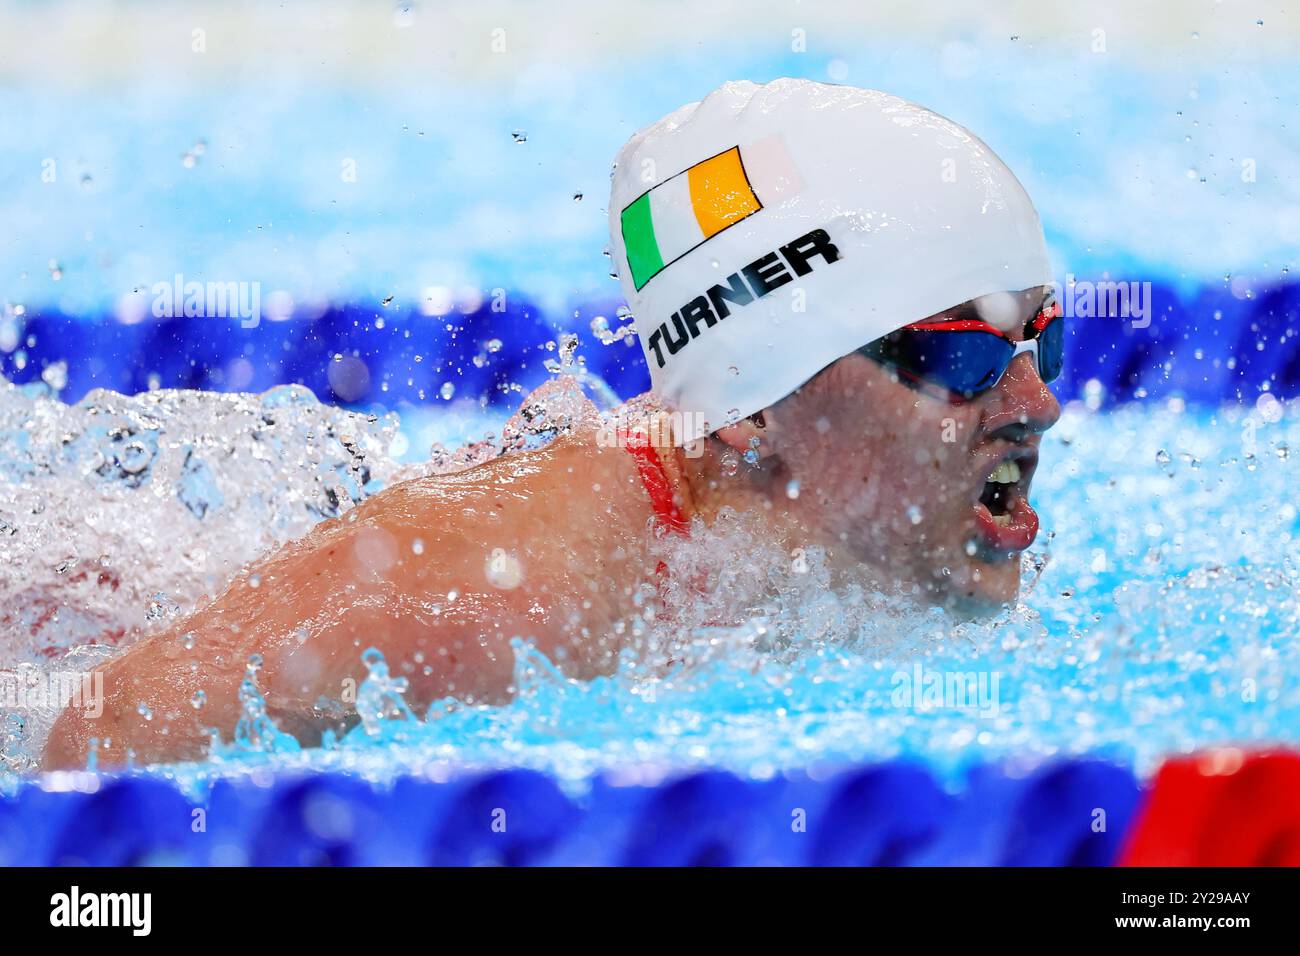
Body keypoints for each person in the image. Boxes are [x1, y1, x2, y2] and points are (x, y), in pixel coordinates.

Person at [42, 78, 1062, 770]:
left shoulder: (801, 552)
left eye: (1038, 340)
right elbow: (86, 743)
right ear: (751, 410)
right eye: (957, 353)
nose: (1036, 403)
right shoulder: (507, 600)